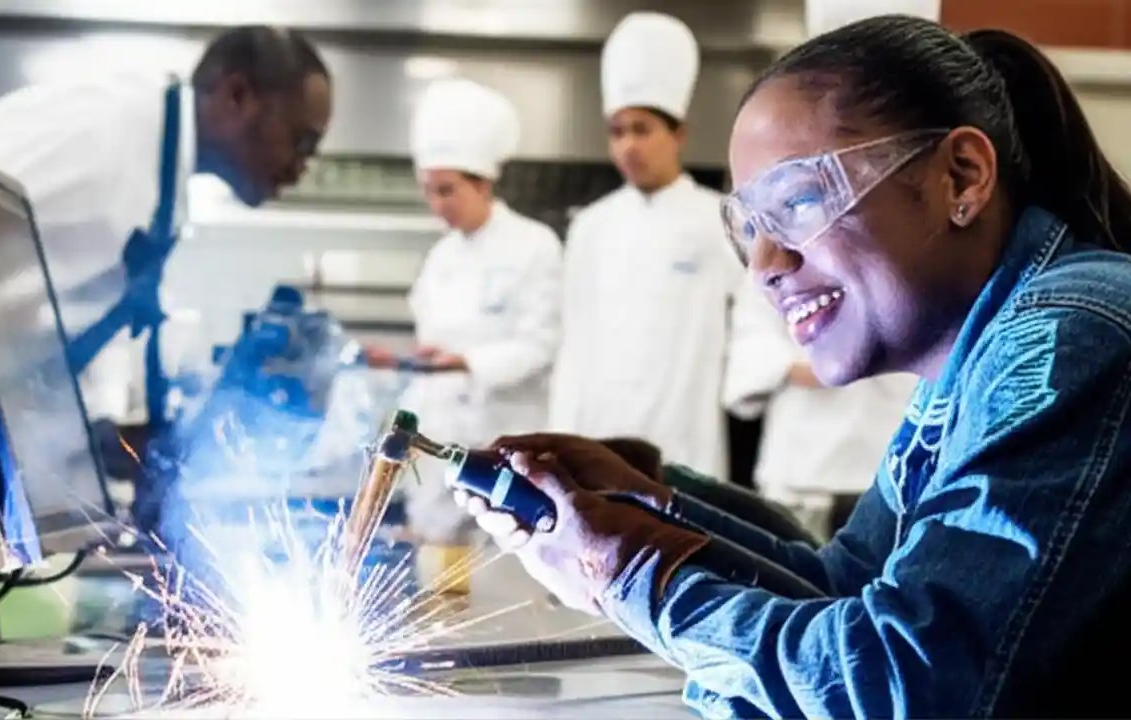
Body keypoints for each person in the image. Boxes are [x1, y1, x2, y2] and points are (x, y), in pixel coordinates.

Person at [458, 15, 1131, 717]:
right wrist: (648, 502)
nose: (766, 268)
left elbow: (904, 682)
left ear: (961, 175)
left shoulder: (1069, 332)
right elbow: (844, 583)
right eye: (752, 229)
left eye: (801, 201)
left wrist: (621, 572)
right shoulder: (968, 365)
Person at [0, 26, 332, 428]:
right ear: (237, 96)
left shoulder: (161, 174)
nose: (300, 168)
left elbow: (54, 315)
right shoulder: (102, 133)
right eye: (301, 142)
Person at [547, 11, 743, 479]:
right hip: (596, 438)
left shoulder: (719, 218)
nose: (628, 146)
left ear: (678, 134)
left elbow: (755, 325)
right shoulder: (591, 226)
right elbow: (571, 343)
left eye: (642, 129)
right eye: (617, 132)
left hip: (685, 443)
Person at [373, 78, 561, 544]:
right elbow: (428, 351)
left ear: (482, 183)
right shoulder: (442, 259)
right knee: (439, 589)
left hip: (506, 448)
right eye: (429, 191)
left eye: (447, 190)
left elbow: (541, 344)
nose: (437, 205)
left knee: (504, 582)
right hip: (440, 452)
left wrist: (467, 362)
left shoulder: (534, 245)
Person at [724, 281, 917, 539]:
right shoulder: (776, 265)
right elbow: (754, 339)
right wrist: (799, 367)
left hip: (886, 466)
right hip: (801, 472)